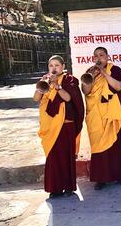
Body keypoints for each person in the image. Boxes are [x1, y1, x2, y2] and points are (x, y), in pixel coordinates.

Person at [81, 47, 121, 190]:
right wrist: (93, 76)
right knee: (98, 147)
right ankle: (101, 179)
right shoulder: (89, 72)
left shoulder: (115, 70)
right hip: (96, 115)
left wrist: (104, 73)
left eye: (101, 55)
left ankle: (120, 176)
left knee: (116, 146)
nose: (99, 58)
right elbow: (86, 91)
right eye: (95, 56)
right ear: (92, 58)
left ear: (107, 57)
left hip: (112, 115)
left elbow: (120, 87)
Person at [34, 55, 84, 198]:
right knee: (53, 158)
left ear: (62, 67)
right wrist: (43, 85)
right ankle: (55, 189)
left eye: (57, 65)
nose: (54, 68)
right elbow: (36, 98)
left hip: (66, 124)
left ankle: (68, 187)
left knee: (67, 157)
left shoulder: (70, 80)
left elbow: (68, 98)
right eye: (51, 65)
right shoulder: (45, 80)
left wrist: (57, 86)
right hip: (50, 126)